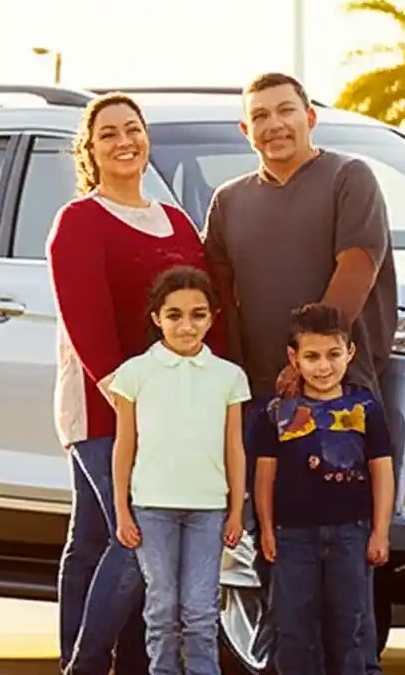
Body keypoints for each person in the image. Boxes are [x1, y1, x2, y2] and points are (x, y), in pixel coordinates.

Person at [202, 72, 398, 672]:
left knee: (346, 556)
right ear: (246, 130)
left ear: (310, 117)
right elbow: (218, 295)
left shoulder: (349, 178)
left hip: (340, 397)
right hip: (264, 404)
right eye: (260, 116)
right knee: (280, 556)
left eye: (285, 111)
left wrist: (308, 364)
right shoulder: (229, 201)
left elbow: (357, 267)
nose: (274, 124)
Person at [47, 93, 216, 675]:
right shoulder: (79, 222)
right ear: (89, 151)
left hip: (172, 410)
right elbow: (88, 328)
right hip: (102, 408)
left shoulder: (175, 221)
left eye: (133, 129)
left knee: (94, 538)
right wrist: (134, 410)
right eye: (109, 134)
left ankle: (118, 664)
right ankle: (87, 665)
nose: (125, 141)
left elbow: (201, 311)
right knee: (136, 532)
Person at [109, 265, 250, 675]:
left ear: (212, 317)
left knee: (201, 610)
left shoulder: (228, 377)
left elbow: (234, 448)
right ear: (156, 318)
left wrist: (236, 509)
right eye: (174, 315)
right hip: (152, 508)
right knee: (162, 606)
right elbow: (125, 445)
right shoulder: (134, 374)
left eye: (198, 314)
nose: (186, 326)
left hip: (208, 509)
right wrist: (122, 508)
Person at [252, 303, 394, 674]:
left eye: (333, 355)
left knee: (351, 623)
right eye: (311, 356)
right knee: (295, 625)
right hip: (292, 535)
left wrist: (380, 531)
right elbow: (265, 475)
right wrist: (266, 528)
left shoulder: (366, 407)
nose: (323, 366)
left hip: (352, 533)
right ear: (293, 358)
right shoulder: (277, 412)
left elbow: (382, 471)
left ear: (350, 353)